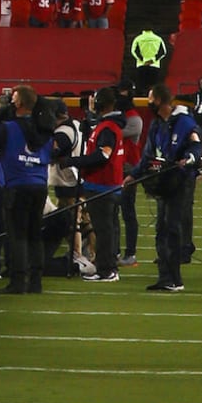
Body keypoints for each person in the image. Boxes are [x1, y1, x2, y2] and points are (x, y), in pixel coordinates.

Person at [0, 86, 50, 294]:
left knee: (17, 235)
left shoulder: (8, 127)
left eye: (13, 99)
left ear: (19, 103)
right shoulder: (45, 130)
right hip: (39, 184)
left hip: (16, 184)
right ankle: (36, 281)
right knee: (34, 235)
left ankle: (18, 280)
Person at [135, 85, 201, 292]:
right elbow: (148, 155)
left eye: (150, 98)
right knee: (161, 229)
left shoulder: (185, 122)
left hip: (180, 181)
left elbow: (196, 147)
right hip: (163, 180)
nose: (148, 103)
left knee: (171, 228)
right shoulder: (157, 125)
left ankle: (174, 278)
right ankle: (165, 276)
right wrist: (133, 175)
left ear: (160, 100)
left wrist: (189, 159)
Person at [72, 88, 126, 283]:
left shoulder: (108, 128)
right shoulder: (108, 125)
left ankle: (107, 269)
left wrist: (74, 161)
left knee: (104, 231)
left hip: (103, 186)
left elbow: (103, 156)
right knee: (107, 230)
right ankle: (108, 267)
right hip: (108, 185)